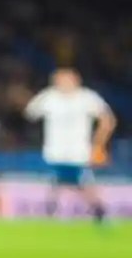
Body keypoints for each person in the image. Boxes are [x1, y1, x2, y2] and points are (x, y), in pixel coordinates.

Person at [23, 67, 117, 224]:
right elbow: (30, 113)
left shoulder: (87, 98)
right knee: (57, 183)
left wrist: (98, 144)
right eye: (59, 80)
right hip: (54, 151)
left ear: (76, 80)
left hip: (78, 152)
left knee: (80, 184)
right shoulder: (49, 97)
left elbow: (108, 120)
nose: (62, 83)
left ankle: (99, 213)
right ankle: (52, 215)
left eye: (66, 79)